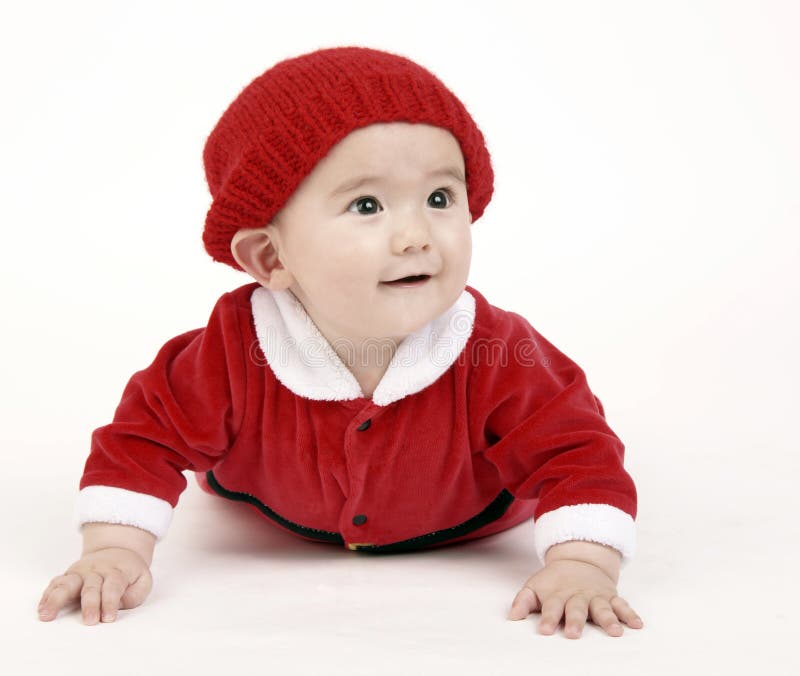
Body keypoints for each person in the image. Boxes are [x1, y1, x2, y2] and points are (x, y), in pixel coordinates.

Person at [37, 46, 643, 639]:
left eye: (439, 198)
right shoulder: (234, 349)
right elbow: (146, 438)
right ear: (271, 256)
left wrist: (582, 561)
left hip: (471, 522)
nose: (414, 236)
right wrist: (115, 548)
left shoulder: (494, 349)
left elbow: (576, 450)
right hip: (267, 522)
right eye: (367, 204)